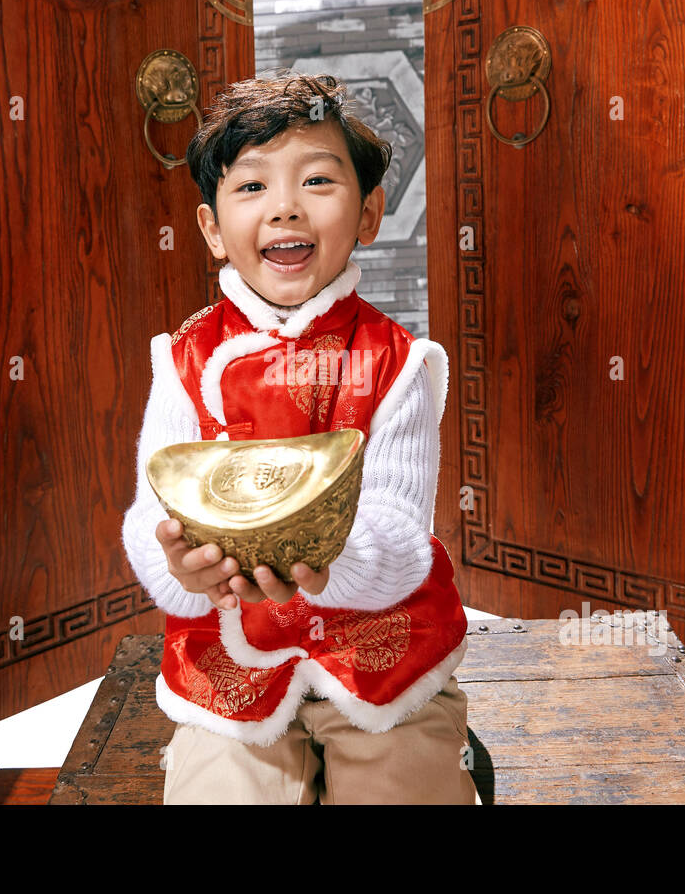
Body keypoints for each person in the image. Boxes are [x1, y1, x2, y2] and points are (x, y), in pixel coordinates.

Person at [121, 72, 477, 804]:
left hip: (383, 657)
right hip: (231, 662)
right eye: (251, 188)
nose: (285, 206)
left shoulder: (399, 363)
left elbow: (403, 535)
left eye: (317, 179)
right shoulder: (182, 360)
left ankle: (435, 746)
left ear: (370, 214)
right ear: (212, 230)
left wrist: (326, 555)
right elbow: (148, 518)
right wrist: (181, 574)